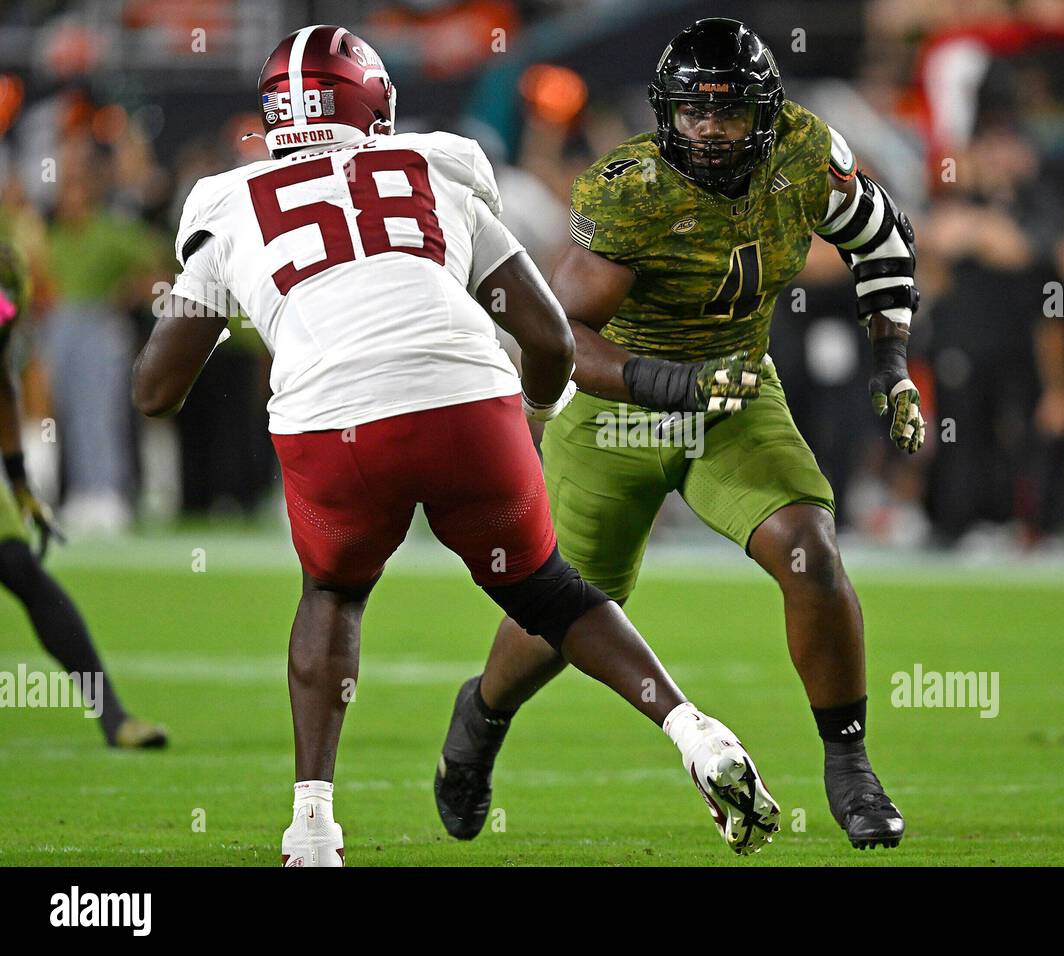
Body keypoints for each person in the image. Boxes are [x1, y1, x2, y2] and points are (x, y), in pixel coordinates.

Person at [131, 25, 780, 866]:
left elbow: (153, 392)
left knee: (333, 593)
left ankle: (314, 826)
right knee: (550, 593)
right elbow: (547, 335)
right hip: (470, 400)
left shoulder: (229, 203)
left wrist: (226, 302)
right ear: (373, 104)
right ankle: (692, 730)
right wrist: (538, 412)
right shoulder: (434, 166)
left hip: (335, 421)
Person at [436, 18, 924, 850]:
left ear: (767, 114)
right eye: (691, 113)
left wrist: (892, 364)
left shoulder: (806, 152)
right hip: (617, 408)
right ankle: (481, 717)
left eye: (727, 113)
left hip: (734, 393)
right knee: (560, 618)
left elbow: (879, 236)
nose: (706, 130)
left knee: (810, 550)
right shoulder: (629, 187)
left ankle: (850, 764)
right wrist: (668, 382)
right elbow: (560, 337)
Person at [0, 237, 166, 749]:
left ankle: (113, 716)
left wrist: (21, 483)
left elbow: (2, 387)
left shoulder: (6, 309)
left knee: (21, 569)